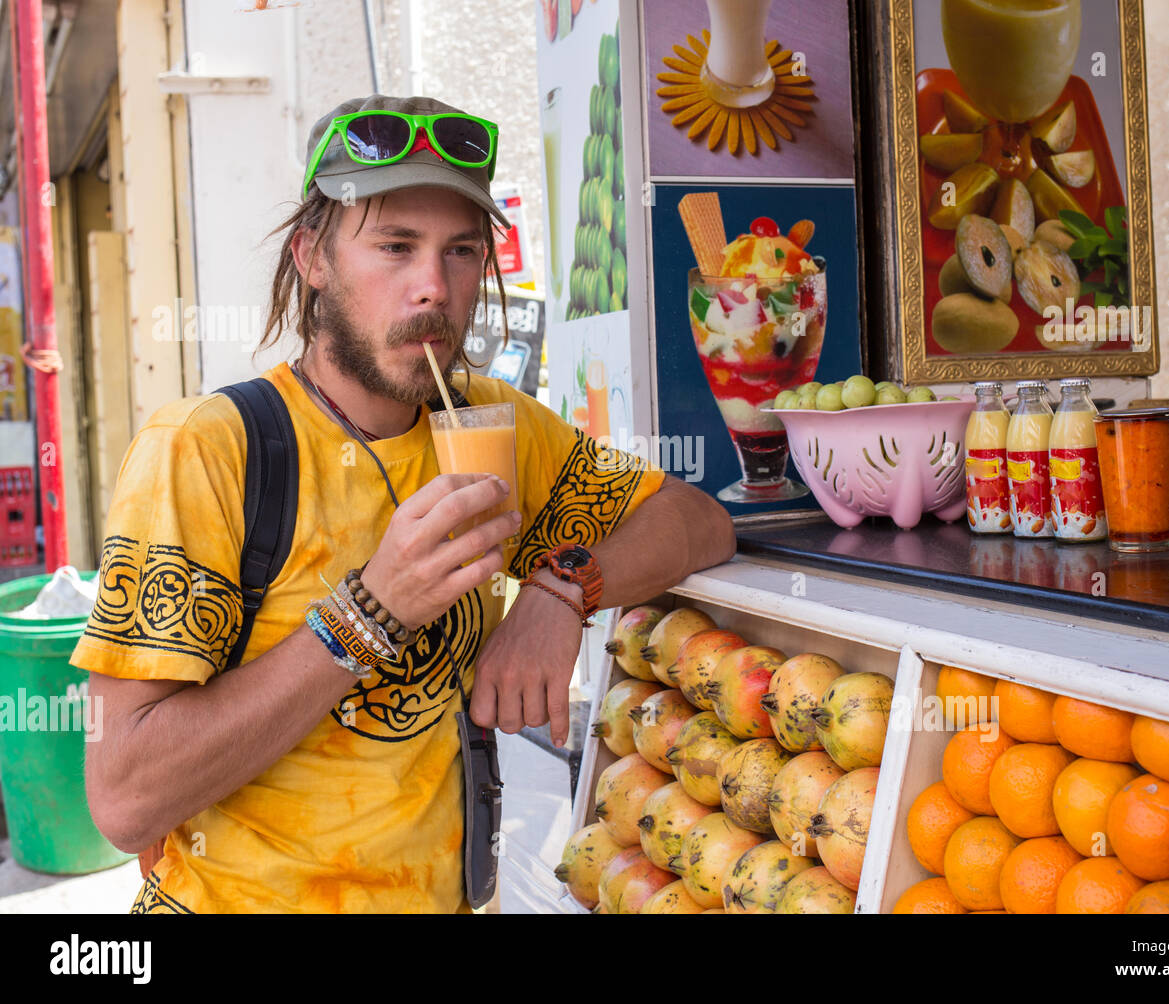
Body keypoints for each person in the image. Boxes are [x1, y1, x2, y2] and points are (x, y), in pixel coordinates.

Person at [71, 94, 736, 914]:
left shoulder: (493, 423)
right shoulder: (208, 451)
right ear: (313, 257)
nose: (434, 288)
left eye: (461, 251)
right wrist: (368, 614)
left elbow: (698, 522)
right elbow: (124, 800)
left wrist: (564, 587)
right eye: (395, 246)